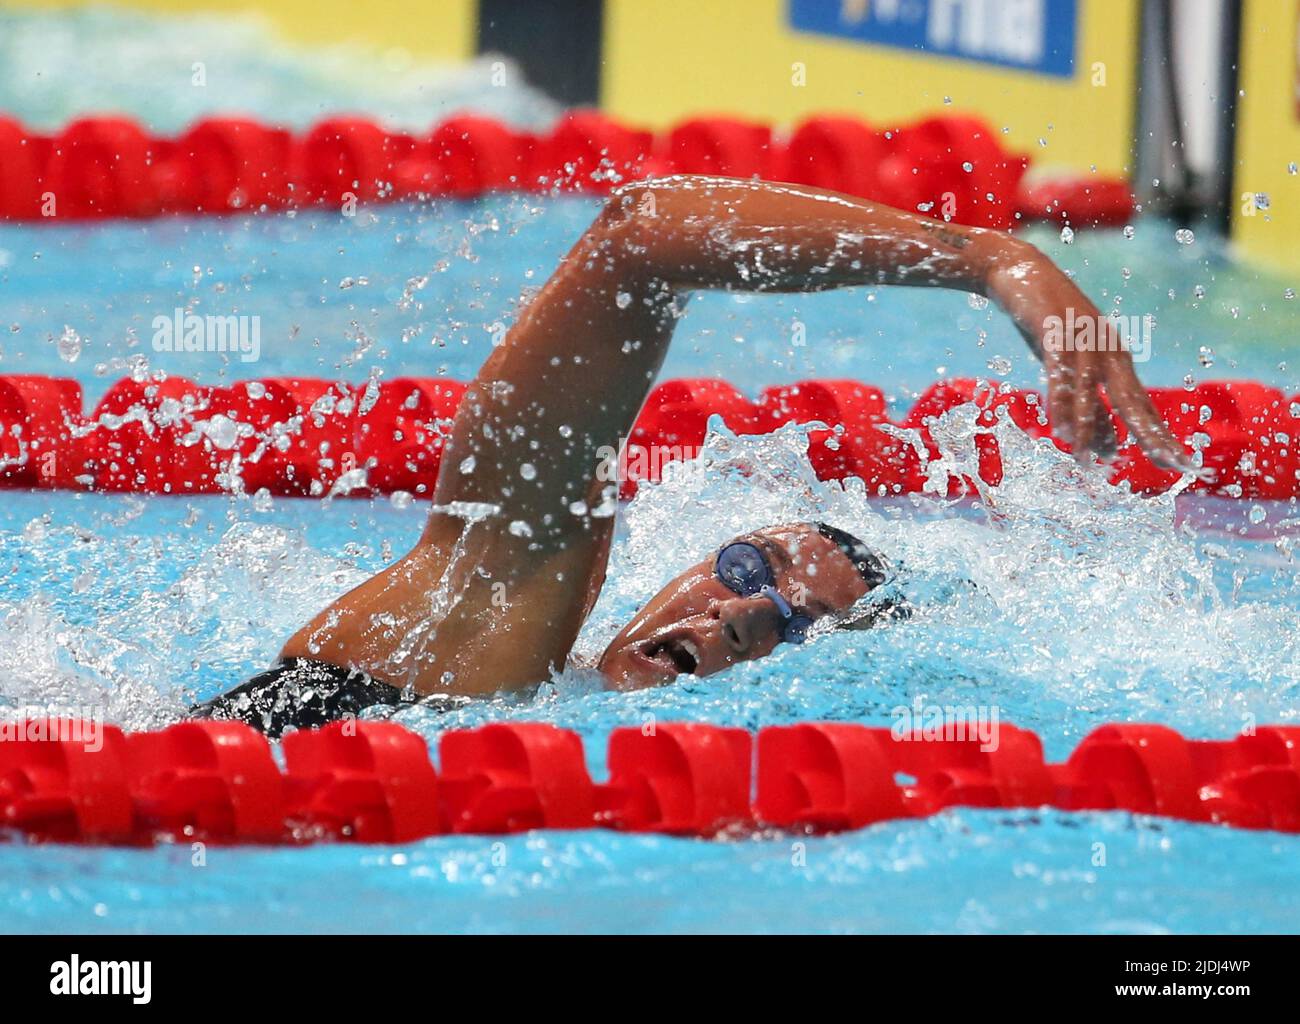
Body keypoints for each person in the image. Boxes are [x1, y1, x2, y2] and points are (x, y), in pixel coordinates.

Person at [194, 175, 1189, 736]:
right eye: (747, 568)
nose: (748, 611)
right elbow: (639, 241)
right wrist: (986, 258)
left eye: (797, 625)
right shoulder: (480, 632)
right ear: (666, 574)